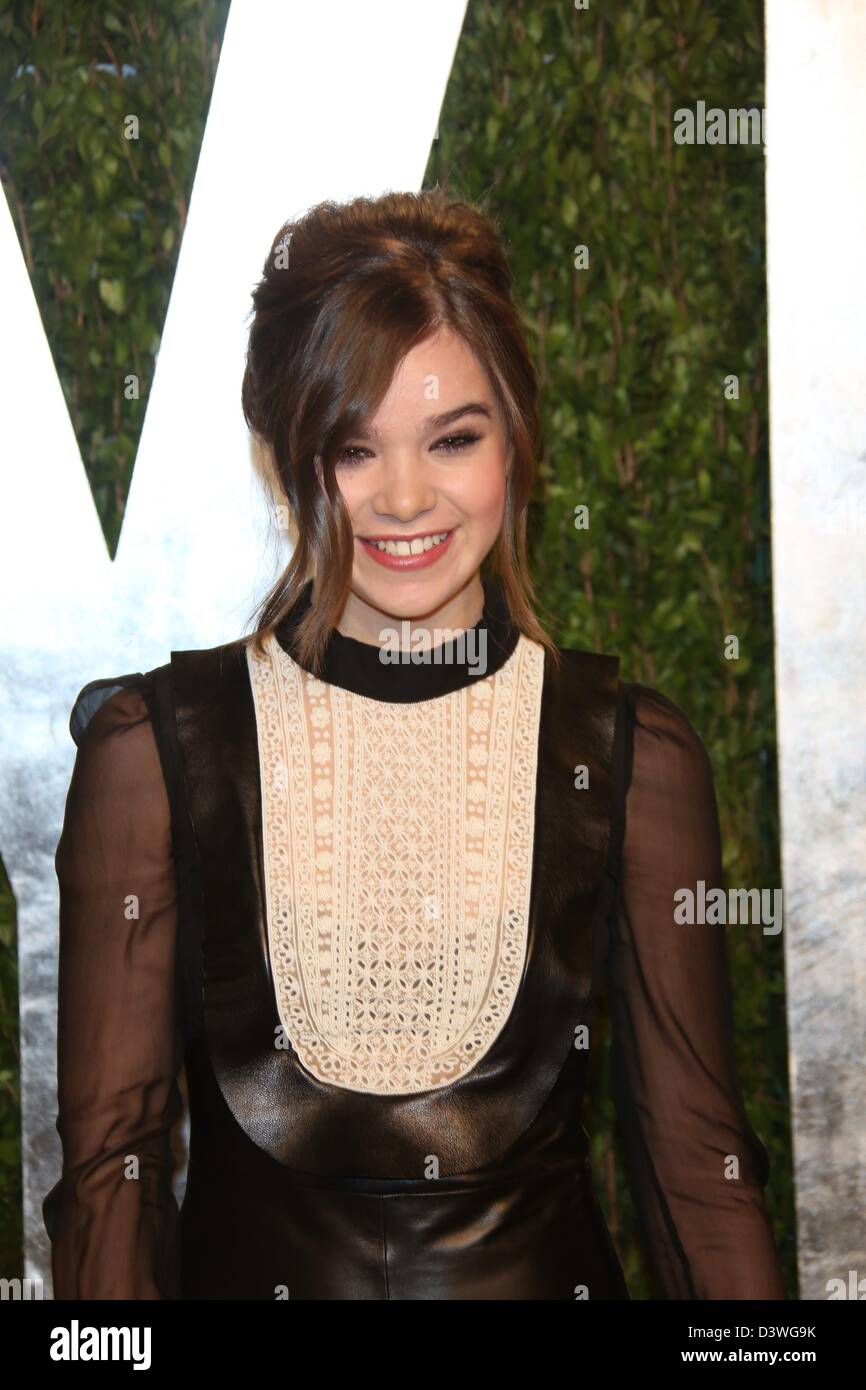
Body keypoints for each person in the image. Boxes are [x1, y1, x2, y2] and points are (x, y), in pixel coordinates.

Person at [43, 188, 785, 1300]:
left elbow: (695, 1172)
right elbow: (112, 1175)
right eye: (353, 449)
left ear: (516, 441)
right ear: (286, 456)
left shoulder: (629, 752)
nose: (402, 497)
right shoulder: (155, 752)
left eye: (451, 438)